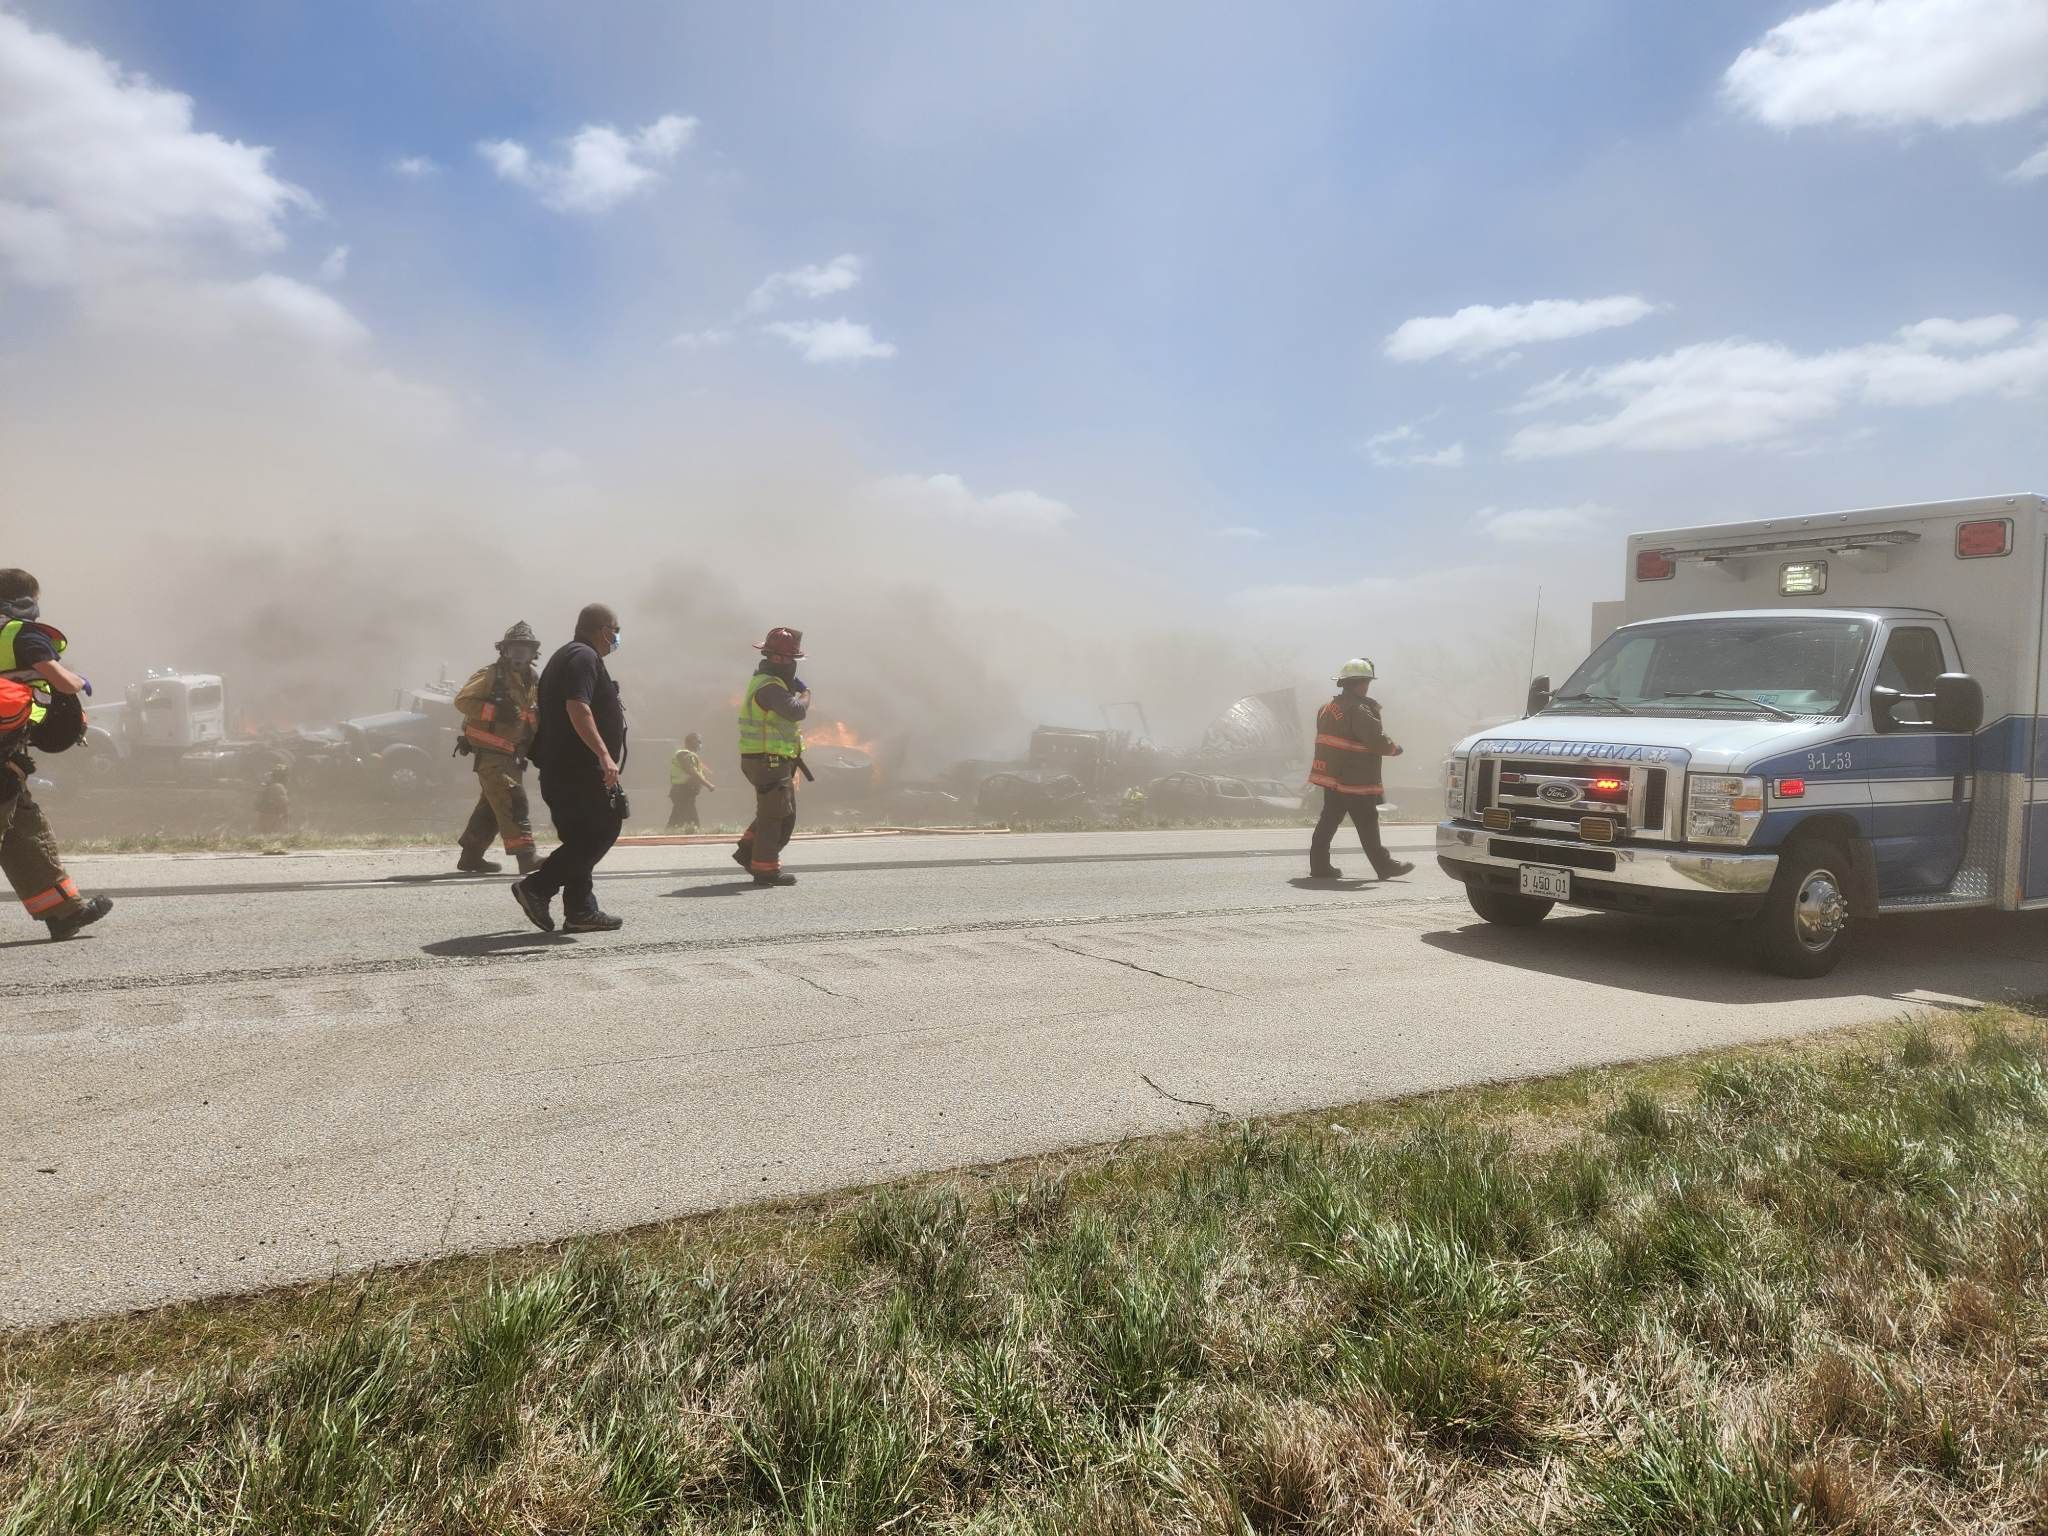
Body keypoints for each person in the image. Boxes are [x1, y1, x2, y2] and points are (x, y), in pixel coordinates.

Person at [0, 568, 113, 939]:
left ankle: (62, 912)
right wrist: (79, 680)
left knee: (22, 827)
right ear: (23, 600)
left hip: (9, 755)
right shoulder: (22, 633)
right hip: (3, 750)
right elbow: (60, 680)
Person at [511, 604, 628, 933]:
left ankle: (581, 910)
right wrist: (604, 755)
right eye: (615, 630)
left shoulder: (568, 656)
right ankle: (537, 887)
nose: (617, 637)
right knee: (604, 829)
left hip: (562, 768)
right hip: (578, 769)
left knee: (579, 839)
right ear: (603, 629)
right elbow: (578, 706)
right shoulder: (583, 657)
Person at [1307, 657, 1415, 882]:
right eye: (1366, 682)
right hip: (1355, 779)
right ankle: (1384, 866)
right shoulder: (1359, 709)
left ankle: (1319, 866)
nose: (1367, 687)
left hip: (1332, 777)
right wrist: (1394, 749)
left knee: (1328, 820)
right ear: (1360, 683)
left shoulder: (1326, 708)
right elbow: (1375, 740)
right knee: (1367, 822)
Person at [453, 620, 542, 874]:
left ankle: (471, 856)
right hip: (490, 755)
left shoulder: (533, 681)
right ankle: (527, 857)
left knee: (492, 808)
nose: (519, 653)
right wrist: (493, 711)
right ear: (503, 650)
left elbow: (532, 718)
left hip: (512, 755)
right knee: (513, 799)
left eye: (524, 649)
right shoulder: (490, 675)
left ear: (534, 653)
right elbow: (462, 701)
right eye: (514, 648)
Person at [733, 627, 808, 887]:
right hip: (768, 760)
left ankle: (747, 850)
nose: (792, 665)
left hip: (769, 758)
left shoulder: (768, 683)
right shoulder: (771, 687)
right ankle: (765, 869)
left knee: (778, 812)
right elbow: (796, 711)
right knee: (775, 816)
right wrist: (805, 694)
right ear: (778, 659)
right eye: (791, 659)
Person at [667, 731, 715, 828]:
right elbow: (693, 772)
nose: (700, 744)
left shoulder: (690, 755)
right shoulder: (685, 754)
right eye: (699, 741)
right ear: (692, 742)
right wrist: (708, 785)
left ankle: (668, 833)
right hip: (682, 792)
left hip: (685, 793)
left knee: (675, 821)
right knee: (693, 822)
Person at [255, 763, 291, 835]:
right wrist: (285, 819)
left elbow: (257, 804)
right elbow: (283, 806)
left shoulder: (267, 786)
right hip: (273, 819)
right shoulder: (278, 787)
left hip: (262, 817)